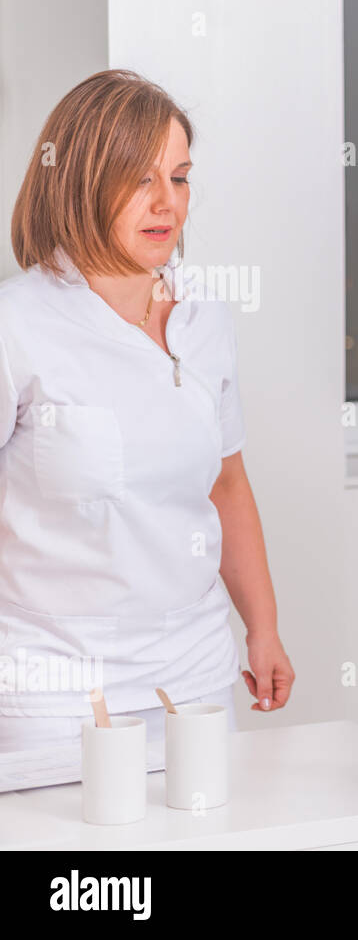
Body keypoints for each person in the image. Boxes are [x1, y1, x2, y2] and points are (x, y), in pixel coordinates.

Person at [0, 70, 293, 752]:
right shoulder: (17, 325)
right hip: (53, 695)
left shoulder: (205, 315)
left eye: (181, 177)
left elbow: (226, 483)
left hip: (195, 684)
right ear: (78, 182)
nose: (168, 203)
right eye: (140, 180)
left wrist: (263, 627)